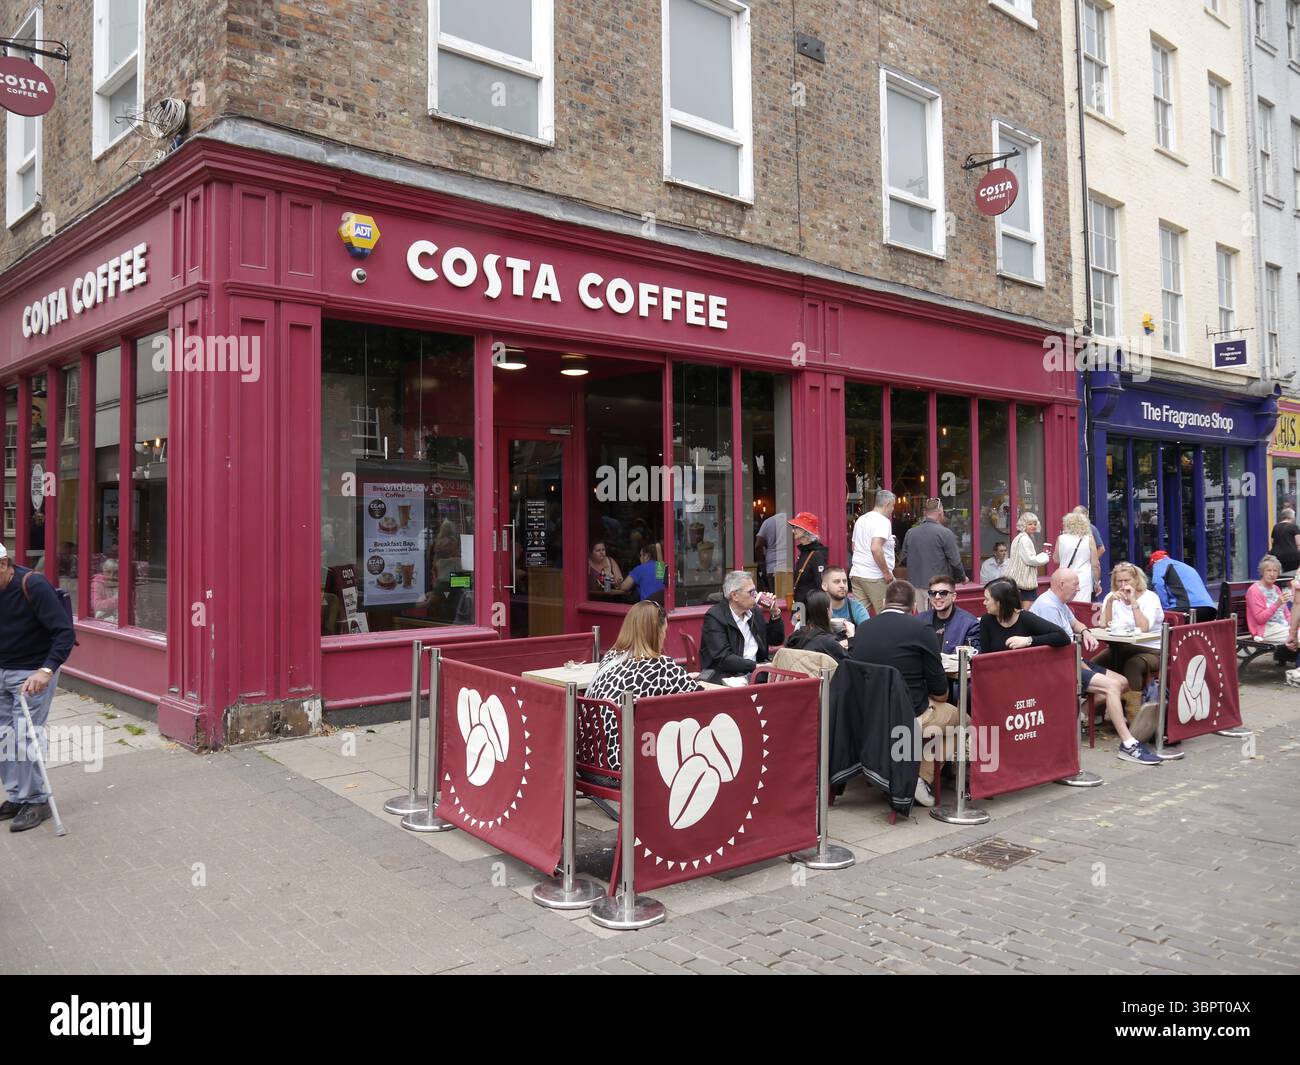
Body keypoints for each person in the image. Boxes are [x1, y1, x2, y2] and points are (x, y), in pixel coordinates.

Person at [1029, 569, 1159, 763]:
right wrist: (1085, 669)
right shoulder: (1048, 606)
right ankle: (1128, 744)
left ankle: (1079, 711)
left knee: (1122, 681)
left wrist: (1086, 631)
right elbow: (1062, 648)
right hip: (1059, 665)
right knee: (1112, 686)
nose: (1079, 588)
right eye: (1075, 584)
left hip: (1072, 657)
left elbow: (1075, 624)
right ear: (1061, 584)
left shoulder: (1059, 602)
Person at [849, 579, 952, 808]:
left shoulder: (863, 629)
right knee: (961, 720)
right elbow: (940, 692)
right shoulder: (922, 630)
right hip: (907, 714)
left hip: (867, 714)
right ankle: (920, 779)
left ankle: (906, 771)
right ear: (914, 606)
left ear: (884, 602)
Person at [0, 542, 76, 832]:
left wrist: (46, 671)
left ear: (4, 565)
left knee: (24, 736)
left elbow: (64, 633)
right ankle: (18, 795)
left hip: (31, 672)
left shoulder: (34, 584)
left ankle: (37, 800)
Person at [586, 601, 701, 770]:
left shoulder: (611, 656)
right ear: (656, 632)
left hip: (588, 761)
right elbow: (699, 695)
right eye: (664, 631)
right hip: (617, 766)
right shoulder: (659, 664)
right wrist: (705, 682)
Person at [1094, 562, 1164, 705]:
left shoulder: (1150, 598)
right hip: (1122, 647)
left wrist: (1133, 601)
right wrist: (1109, 603)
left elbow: (1144, 628)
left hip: (1152, 648)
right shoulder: (1111, 597)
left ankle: (1134, 713)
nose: (1123, 584)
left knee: (1132, 665)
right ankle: (1097, 713)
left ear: (1136, 580)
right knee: (1095, 665)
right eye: (1119, 581)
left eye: (1127, 580)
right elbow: (1103, 624)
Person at [699, 570, 785, 682]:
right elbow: (723, 658)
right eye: (751, 592)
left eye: (755, 591)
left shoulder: (754, 612)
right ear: (735, 596)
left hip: (756, 672)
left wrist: (775, 613)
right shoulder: (715, 617)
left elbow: (776, 640)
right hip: (727, 675)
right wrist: (756, 667)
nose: (756, 596)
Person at [898, 498, 967, 611]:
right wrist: (962, 577)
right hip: (938, 587)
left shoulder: (911, 533)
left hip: (916, 584)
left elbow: (904, 558)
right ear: (940, 512)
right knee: (937, 619)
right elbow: (955, 561)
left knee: (922, 619)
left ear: (925, 513)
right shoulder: (945, 533)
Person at [979, 578, 1072, 654]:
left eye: (987, 599)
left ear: (1000, 602)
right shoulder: (986, 620)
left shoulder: (1026, 619)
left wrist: (1029, 640)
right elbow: (985, 655)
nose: (984, 603)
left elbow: (1063, 637)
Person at [850, 489, 896, 616]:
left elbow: (854, 547)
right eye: (892, 506)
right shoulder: (883, 521)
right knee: (887, 615)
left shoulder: (861, 519)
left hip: (858, 573)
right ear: (887, 504)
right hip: (875, 576)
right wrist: (886, 572)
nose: (892, 510)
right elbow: (875, 547)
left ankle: (858, 636)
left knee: (859, 615)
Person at [917, 574, 980, 654]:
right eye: (933, 593)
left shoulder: (969, 623)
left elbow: (974, 655)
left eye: (943, 593)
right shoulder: (920, 620)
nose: (937, 597)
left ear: (953, 597)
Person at [1147, 549, 1216, 623]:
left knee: (1158, 620)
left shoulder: (1159, 564)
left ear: (1154, 562)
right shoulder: (1186, 566)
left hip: (1189, 608)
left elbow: (1158, 583)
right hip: (1210, 609)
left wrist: (1165, 608)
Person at [784, 591, 846, 662]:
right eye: (831, 609)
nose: (832, 612)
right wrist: (851, 637)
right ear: (827, 611)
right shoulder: (827, 642)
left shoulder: (793, 637)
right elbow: (851, 663)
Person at [1246, 554, 1292, 646]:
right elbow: (1260, 619)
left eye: (1275, 571)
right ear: (1262, 572)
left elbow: (1286, 614)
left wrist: (1294, 625)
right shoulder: (1254, 590)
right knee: (1296, 637)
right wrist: (1277, 604)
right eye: (1268, 570)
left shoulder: (1276, 589)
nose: (1272, 574)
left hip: (1282, 627)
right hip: (1265, 630)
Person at [1006, 512, 1049, 607]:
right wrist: (1045, 556)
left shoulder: (1021, 538)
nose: (1033, 526)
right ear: (1023, 525)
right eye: (1030, 524)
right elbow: (1030, 559)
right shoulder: (1024, 539)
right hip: (1025, 580)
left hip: (1018, 579)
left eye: (1034, 524)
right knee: (1028, 606)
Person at [1054, 510, 1099, 602]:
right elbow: (1095, 565)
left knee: (1065, 606)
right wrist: (1097, 582)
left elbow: (1056, 559)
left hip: (1064, 577)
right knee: (1082, 606)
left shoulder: (1061, 538)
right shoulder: (1089, 539)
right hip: (1082, 579)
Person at [788, 512, 829, 607]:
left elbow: (821, 587)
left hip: (810, 609)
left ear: (806, 530)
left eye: (796, 527)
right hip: (799, 606)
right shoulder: (804, 552)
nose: (793, 531)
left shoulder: (816, 555)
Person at [822, 566, 869, 639]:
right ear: (824, 586)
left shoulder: (856, 607)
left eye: (844, 581)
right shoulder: (818, 607)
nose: (842, 585)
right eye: (836, 582)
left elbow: (867, 633)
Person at [754, 510, 788, 592]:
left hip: (772, 566)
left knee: (774, 597)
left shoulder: (768, 522)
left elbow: (758, 545)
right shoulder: (791, 520)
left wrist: (761, 562)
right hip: (788, 565)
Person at [1269, 508, 1300, 577]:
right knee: (1291, 576)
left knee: (1279, 575)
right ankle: (1288, 587)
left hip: (1277, 555)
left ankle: (1280, 586)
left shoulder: (1276, 527)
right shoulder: (1294, 527)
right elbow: (1298, 543)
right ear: (1291, 516)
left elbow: (1273, 541)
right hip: (1292, 556)